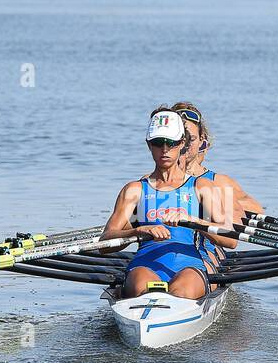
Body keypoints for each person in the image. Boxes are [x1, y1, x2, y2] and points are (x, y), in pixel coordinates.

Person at [101, 108, 238, 300]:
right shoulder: (134, 190)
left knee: (181, 293)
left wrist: (192, 221)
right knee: (142, 289)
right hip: (144, 265)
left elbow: (230, 240)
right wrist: (139, 231)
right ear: (149, 144)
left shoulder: (202, 187)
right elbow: (105, 242)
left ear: (182, 143)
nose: (164, 150)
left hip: (188, 266)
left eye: (171, 143)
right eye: (158, 143)